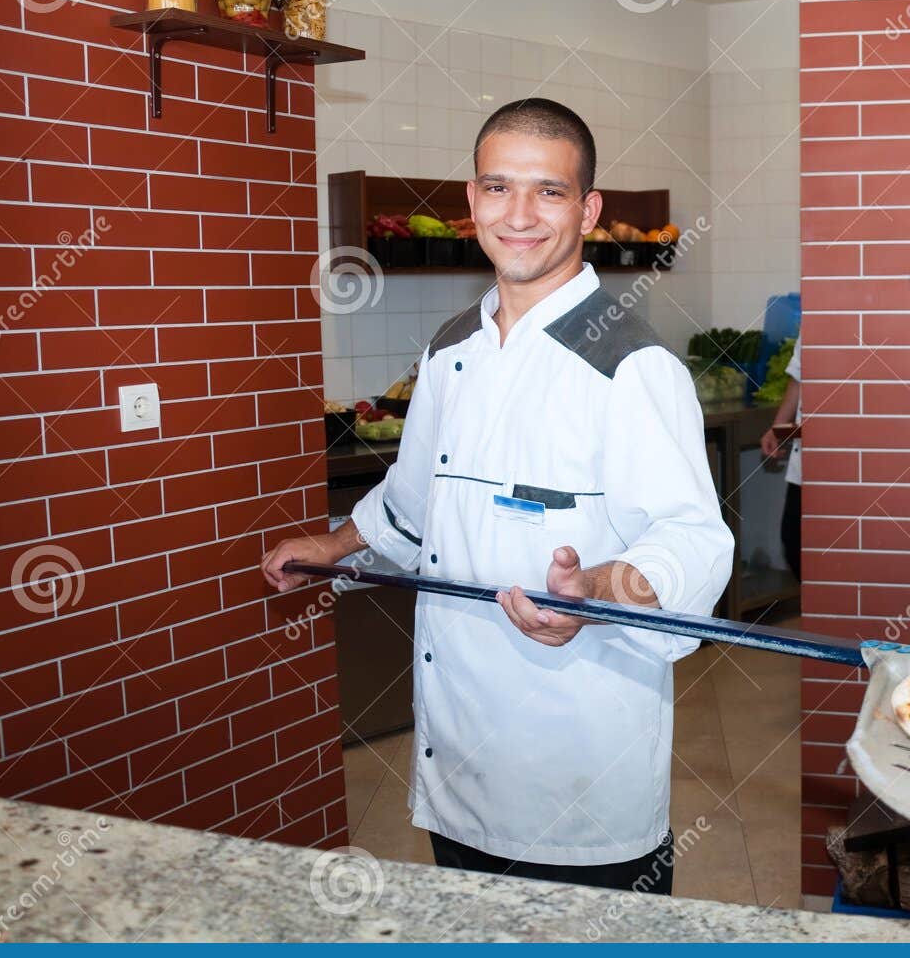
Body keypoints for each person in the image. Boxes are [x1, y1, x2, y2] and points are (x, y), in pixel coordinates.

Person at [263, 98, 733, 894]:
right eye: (497, 188)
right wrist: (337, 543)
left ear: (587, 210)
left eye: (548, 192)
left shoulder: (631, 363)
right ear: (472, 201)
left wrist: (599, 591)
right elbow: (417, 497)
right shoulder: (453, 346)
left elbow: (693, 537)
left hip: (580, 761)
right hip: (460, 750)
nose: (519, 215)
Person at [760, 335, 801, 582]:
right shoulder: (811, 322)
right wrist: (777, 427)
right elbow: (797, 379)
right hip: (805, 460)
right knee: (793, 538)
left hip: (838, 459)